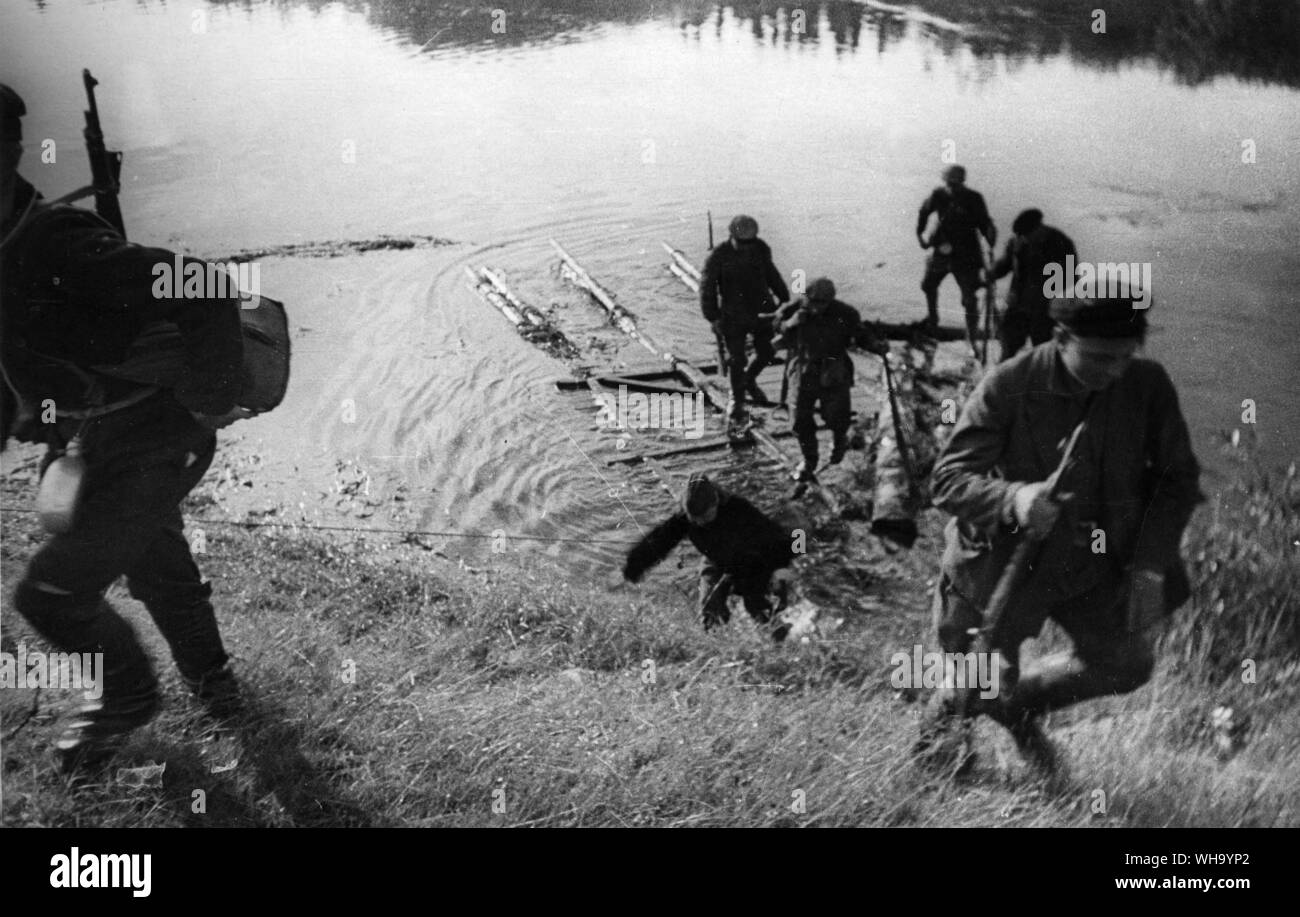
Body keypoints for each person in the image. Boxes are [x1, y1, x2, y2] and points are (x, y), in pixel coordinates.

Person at [1, 83, 248, 770]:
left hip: (152, 442)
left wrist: (208, 402)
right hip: (90, 443)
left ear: (8, 151)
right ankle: (218, 689)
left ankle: (127, 698)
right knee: (156, 563)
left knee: (48, 592)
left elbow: (205, 286)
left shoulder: (58, 243)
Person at [917, 293, 1203, 775]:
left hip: (1093, 561)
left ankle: (1019, 705)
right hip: (1002, 562)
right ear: (1062, 338)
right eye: (1098, 358)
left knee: (1126, 663)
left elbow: (1176, 482)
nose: (1114, 371)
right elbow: (947, 479)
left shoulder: (1147, 383)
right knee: (974, 681)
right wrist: (1016, 499)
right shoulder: (1008, 385)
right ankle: (936, 772)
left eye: (1124, 356)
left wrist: (1149, 566)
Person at [623, 473, 796, 642]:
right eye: (695, 519)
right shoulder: (685, 518)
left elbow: (775, 536)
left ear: (716, 503)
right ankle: (717, 646)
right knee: (709, 603)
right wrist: (631, 569)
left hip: (751, 563)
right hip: (717, 561)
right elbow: (658, 541)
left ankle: (782, 641)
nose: (700, 523)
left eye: (705, 517)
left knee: (758, 606)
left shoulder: (739, 509)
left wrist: (781, 568)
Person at [771, 278, 889, 484]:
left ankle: (838, 443)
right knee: (799, 418)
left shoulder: (845, 313)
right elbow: (776, 325)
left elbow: (860, 335)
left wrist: (876, 345)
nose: (816, 307)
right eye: (813, 301)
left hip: (834, 369)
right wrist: (791, 323)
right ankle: (809, 460)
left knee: (837, 416)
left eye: (822, 303)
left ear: (830, 301)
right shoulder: (795, 309)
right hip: (803, 368)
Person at [699, 215, 790, 420]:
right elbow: (707, 289)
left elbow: (771, 274)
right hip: (733, 314)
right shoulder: (718, 256)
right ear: (732, 236)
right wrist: (713, 317)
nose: (747, 246)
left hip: (762, 309)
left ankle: (748, 380)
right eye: (742, 242)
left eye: (750, 242)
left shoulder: (761, 248)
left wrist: (785, 300)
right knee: (736, 359)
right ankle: (737, 399)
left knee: (767, 352)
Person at [916, 165, 997, 351]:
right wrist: (920, 234)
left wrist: (990, 238)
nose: (952, 187)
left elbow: (985, 223)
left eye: (956, 183)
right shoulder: (938, 195)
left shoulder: (974, 198)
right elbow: (924, 211)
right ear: (945, 182)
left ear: (962, 182)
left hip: (967, 256)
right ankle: (933, 321)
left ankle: (971, 337)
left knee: (969, 298)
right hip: (942, 251)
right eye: (949, 183)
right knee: (928, 285)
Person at [989, 208, 1077, 361]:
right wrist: (990, 273)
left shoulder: (1060, 242)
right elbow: (1005, 264)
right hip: (1017, 305)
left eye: (1028, 235)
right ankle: (1006, 378)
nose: (1024, 238)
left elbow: (1071, 276)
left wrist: (1062, 304)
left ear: (1038, 227)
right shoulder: (1017, 240)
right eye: (1022, 236)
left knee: (1044, 352)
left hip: (1045, 309)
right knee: (1008, 345)